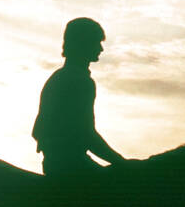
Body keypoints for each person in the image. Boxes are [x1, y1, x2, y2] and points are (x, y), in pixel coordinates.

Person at [33, 18, 125, 179]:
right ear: (83, 44)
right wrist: (122, 163)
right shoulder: (81, 81)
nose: (101, 48)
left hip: (55, 162)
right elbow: (86, 133)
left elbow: (37, 130)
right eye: (96, 42)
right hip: (71, 165)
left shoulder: (58, 77)